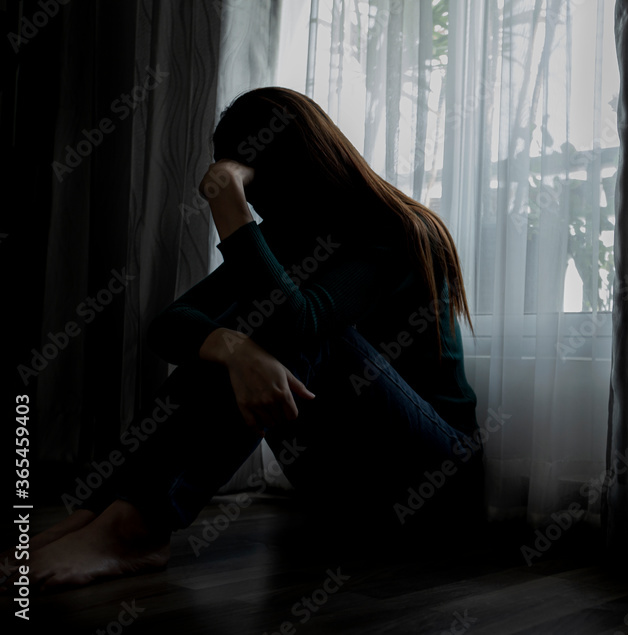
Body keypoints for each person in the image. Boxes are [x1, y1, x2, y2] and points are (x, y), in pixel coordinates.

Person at [7, 87, 483, 592]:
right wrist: (232, 349)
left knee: (287, 329)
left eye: (256, 184)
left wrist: (228, 206)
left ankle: (134, 530)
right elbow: (170, 324)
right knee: (232, 338)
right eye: (247, 191)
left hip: (434, 486)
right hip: (342, 490)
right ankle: (101, 513)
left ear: (299, 167)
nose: (256, 203)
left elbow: (298, 325)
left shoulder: (399, 231)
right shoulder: (288, 238)